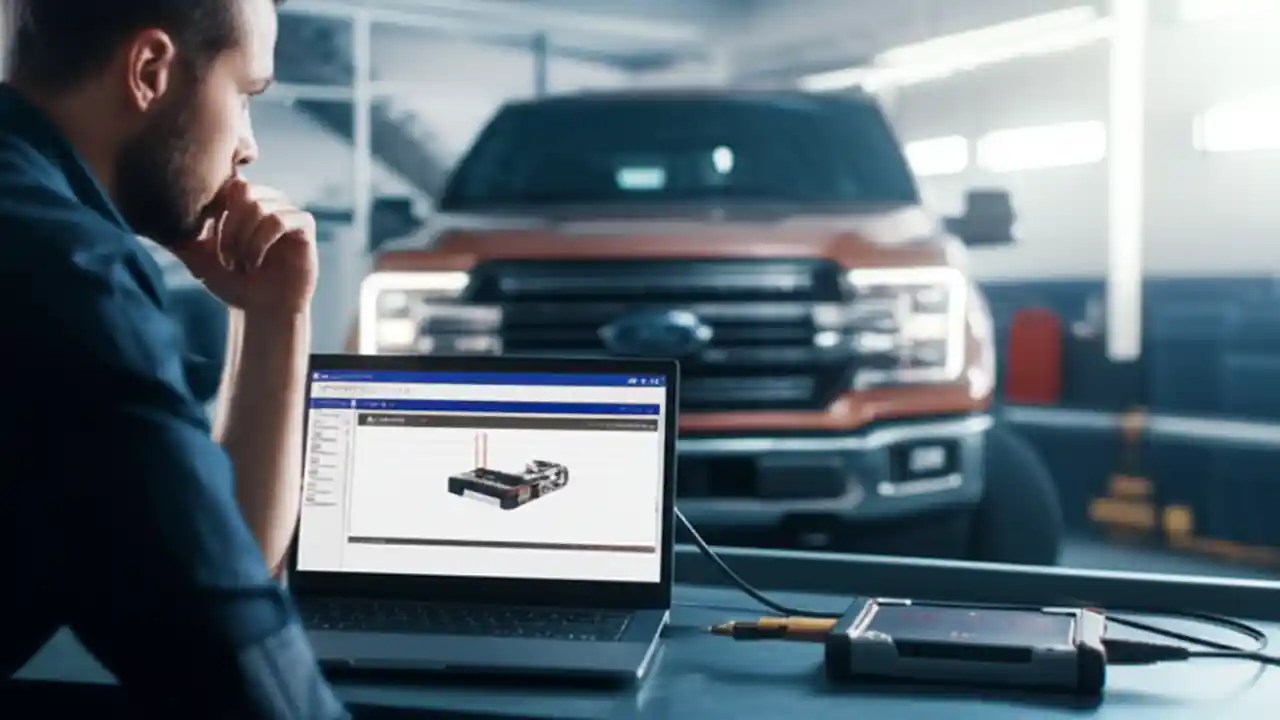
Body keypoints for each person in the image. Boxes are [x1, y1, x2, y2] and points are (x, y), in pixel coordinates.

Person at [0, 0, 351, 717]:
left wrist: (272, 313)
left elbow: (213, 567)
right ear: (149, 70)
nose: (248, 146)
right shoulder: (69, 281)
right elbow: (237, 664)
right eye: (246, 94)